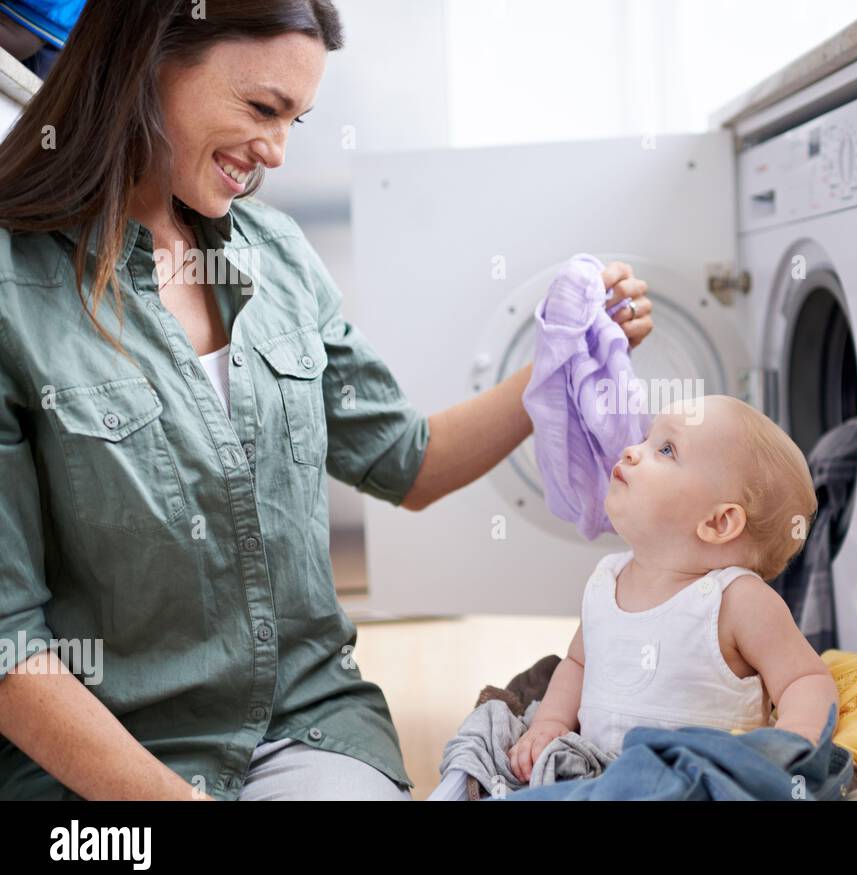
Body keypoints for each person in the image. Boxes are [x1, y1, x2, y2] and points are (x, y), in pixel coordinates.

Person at [0, 0, 653, 801]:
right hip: (98, 763)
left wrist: (564, 359)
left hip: (302, 730)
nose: (272, 151)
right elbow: (8, 644)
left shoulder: (275, 255)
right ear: (148, 61)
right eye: (261, 108)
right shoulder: (13, 290)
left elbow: (408, 463)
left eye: (296, 122)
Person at [508, 395, 837, 783]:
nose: (632, 451)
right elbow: (578, 664)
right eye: (646, 439)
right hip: (599, 774)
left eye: (666, 449)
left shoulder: (735, 600)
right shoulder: (605, 581)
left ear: (718, 523)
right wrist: (549, 723)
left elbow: (805, 678)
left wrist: (796, 737)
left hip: (700, 783)